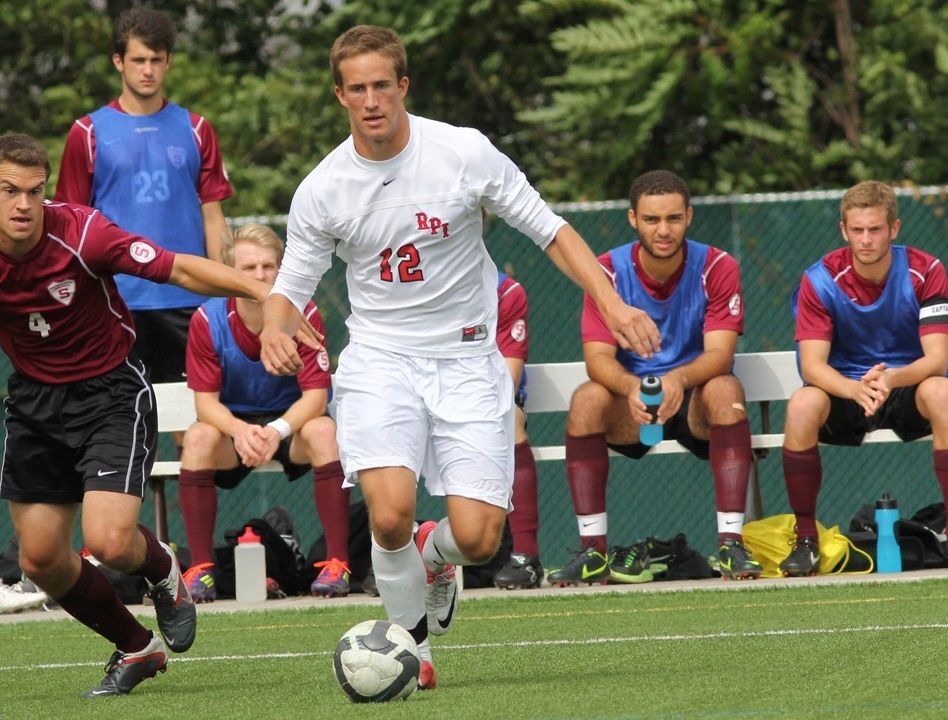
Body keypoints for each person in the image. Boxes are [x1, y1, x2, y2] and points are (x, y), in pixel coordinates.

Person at [258, 25, 659, 690]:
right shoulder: (323, 188)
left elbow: (549, 230)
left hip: (470, 362)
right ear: (339, 96)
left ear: (403, 85)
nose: (371, 99)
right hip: (382, 361)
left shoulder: (462, 152)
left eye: (382, 84)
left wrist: (613, 305)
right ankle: (412, 652)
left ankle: (436, 556)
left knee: (478, 539)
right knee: (387, 512)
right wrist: (276, 324)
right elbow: (288, 286)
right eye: (356, 88)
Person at [0, 133, 316, 699]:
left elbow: (177, 270)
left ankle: (163, 571)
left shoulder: (82, 232)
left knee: (109, 539)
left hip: (111, 393)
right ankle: (136, 646)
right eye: (9, 191)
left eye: (34, 191)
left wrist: (264, 292)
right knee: (42, 559)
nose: (23, 204)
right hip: (33, 402)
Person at [550, 170, 763, 586]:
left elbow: (720, 355)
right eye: (651, 220)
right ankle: (593, 554)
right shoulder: (606, 271)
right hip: (633, 405)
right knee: (587, 399)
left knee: (726, 389)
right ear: (633, 219)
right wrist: (631, 387)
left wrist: (678, 381)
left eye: (673, 219)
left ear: (689, 216)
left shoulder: (718, 266)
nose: (663, 230)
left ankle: (731, 544)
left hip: (694, 399)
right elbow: (597, 360)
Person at [54, 6, 233, 460]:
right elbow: (72, 226)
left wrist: (222, 294)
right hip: (117, 302)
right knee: (121, 425)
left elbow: (214, 219)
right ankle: (129, 532)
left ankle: (188, 534)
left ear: (168, 61)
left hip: (187, 298)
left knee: (193, 429)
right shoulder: (87, 133)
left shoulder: (196, 129)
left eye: (156, 59)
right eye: (138, 60)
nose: (147, 69)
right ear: (119, 62)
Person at [780, 180, 948, 575]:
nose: (866, 239)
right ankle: (806, 540)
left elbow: (937, 360)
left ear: (894, 228)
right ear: (843, 230)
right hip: (845, 389)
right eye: (857, 230)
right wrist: (855, 387)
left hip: (908, 385)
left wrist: (891, 378)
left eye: (875, 229)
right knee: (802, 403)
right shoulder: (819, 280)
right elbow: (812, 367)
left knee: (942, 392)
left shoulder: (927, 271)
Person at [176, 224, 352, 600]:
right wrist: (241, 431)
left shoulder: (302, 313)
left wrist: (276, 430)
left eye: (268, 266)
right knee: (197, 437)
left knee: (324, 431)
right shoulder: (208, 321)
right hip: (233, 431)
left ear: (280, 268)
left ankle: (336, 563)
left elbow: (317, 397)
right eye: (249, 267)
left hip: (290, 427)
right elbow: (205, 405)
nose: (260, 275)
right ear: (230, 272)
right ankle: (200, 570)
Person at [489, 272, 545, 590]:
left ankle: (527, 557)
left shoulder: (505, 291)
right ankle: (387, 554)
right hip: (423, 403)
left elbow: (506, 384)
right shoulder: (411, 286)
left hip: (483, 405)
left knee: (508, 418)